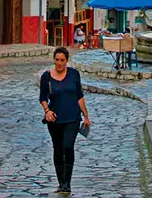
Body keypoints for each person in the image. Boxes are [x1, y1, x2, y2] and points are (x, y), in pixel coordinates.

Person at [39, 47, 91, 194]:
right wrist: (47, 111)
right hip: (54, 119)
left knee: (68, 146)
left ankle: (67, 181)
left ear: (67, 60)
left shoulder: (74, 74)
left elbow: (79, 96)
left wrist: (86, 116)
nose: (59, 63)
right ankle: (61, 182)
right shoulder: (46, 77)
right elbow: (43, 97)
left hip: (72, 118)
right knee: (57, 148)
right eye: (57, 60)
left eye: (62, 60)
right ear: (54, 60)